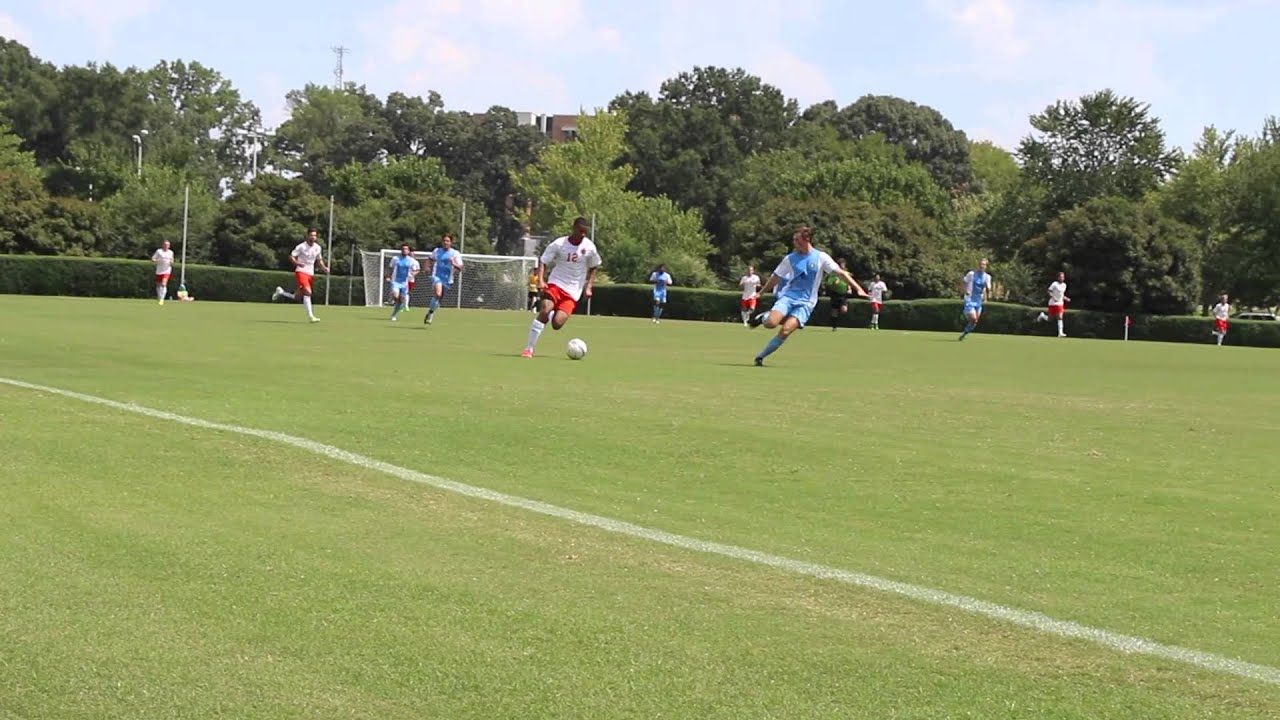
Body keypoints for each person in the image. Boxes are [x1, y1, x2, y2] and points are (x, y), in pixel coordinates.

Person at [748, 225, 867, 366]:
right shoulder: (790, 259)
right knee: (771, 323)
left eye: (797, 239)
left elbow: (840, 273)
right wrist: (760, 293)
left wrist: (858, 288)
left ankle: (760, 357)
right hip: (789, 297)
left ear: (807, 239)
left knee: (785, 331)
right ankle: (763, 317)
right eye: (793, 239)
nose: (794, 242)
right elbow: (776, 277)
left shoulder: (821, 257)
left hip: (807, 303)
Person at [521, 216, 602, 358]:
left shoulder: (589, 247)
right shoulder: (559, 244)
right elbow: (543, 260)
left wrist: (588, 286)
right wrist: (541, 280)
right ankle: (529, 349)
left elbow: (595, 266)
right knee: (544, 310)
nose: (582, 234)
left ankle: (553, 314)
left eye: (585, 232)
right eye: (580, 231)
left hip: (573, 291)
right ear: (574, 228)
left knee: (557, 324)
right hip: (556, 283)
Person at [272, 228, 329, 323]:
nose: (313, 237)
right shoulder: (301, 246)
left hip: (310, 274)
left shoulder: (318, 247)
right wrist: (297, 263)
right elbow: (291, 256)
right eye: (311, 235)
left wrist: (324, 268)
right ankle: (311, 316)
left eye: (314, 235)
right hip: (301, 272)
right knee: (308, 292)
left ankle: (281, 292)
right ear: (307, 236)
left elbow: (319, 260)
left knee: (297, 297)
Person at [424, 234, 463, 325]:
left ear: (451, 242)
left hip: (448, 280)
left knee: (438, 299)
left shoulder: (455, 253)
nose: (445, 242)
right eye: (444, 240)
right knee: (438, 293)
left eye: (447, 241)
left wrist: (454, 263)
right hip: (436, 276)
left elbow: (461, 268)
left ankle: (430, 313)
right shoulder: (437, 251)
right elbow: (430, 259)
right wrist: (427, 267)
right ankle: (431, 314)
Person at [958, 258, 992, 341]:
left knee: (975, 321)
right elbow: (964, 282)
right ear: (978, 265)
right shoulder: (971, 274)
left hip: (978, 300)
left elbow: (988, 288)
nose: (981, 266)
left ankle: (964, 334)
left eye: (983, 264)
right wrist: (965, 291)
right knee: (973, 318)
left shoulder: (987, 277)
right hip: (970, 299)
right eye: (980, 264)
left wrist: (987, 296)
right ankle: (966, 312)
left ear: (986, 266)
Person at [387, 244, 419, 321]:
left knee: (401, 300)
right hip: (395, 281)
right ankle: (397, 303)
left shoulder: (411, 260)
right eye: (403, 249)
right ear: (401, 250)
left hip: (405, 283)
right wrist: (387, 276)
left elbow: (417, 270)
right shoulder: (395, 258)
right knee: (396, 296)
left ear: (408, 251)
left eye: (406, 249)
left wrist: (413, 273)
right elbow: (390, 268)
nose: (404, 250)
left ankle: (394, 315)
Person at [1035, 271, 1071, 337]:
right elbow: (1049, 291)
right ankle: (1042, 315)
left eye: (1063, 277)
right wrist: (1053, 297)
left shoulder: (1064, 285)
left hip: (1060, 303)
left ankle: (1060, 333)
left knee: (1060, 317)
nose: (1062, 278)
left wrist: (1066, 298)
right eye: (1061, 277)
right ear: (1058, 278)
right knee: (1050, 319)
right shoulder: (1054, 284)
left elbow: (1061, 294)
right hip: (1053, 303)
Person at [822, 257, 853, 331]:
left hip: (843, 294)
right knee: (834, 311)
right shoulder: (833, 274)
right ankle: (834, 326)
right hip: (835, 294)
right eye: (842, 264)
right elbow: (828, 283)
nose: (843, 265)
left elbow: (849, 281)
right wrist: (833, 284)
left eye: (844, 264)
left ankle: (839, 312)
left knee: (844, 310)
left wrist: (849, 288)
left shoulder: (846, 273)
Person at [150, 240, 174, 305]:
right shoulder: (159, 251)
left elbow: (172, 260)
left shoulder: (170, 252)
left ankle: (162, 299)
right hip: (159, 270)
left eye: (168, 245)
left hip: (167, 270)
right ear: (163, 245)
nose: (166, 246)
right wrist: (156, 260)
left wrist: (171, 262)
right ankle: (159, 297)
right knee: (158, 285)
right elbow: (153, 259)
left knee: (163, 284)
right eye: (165, 244)